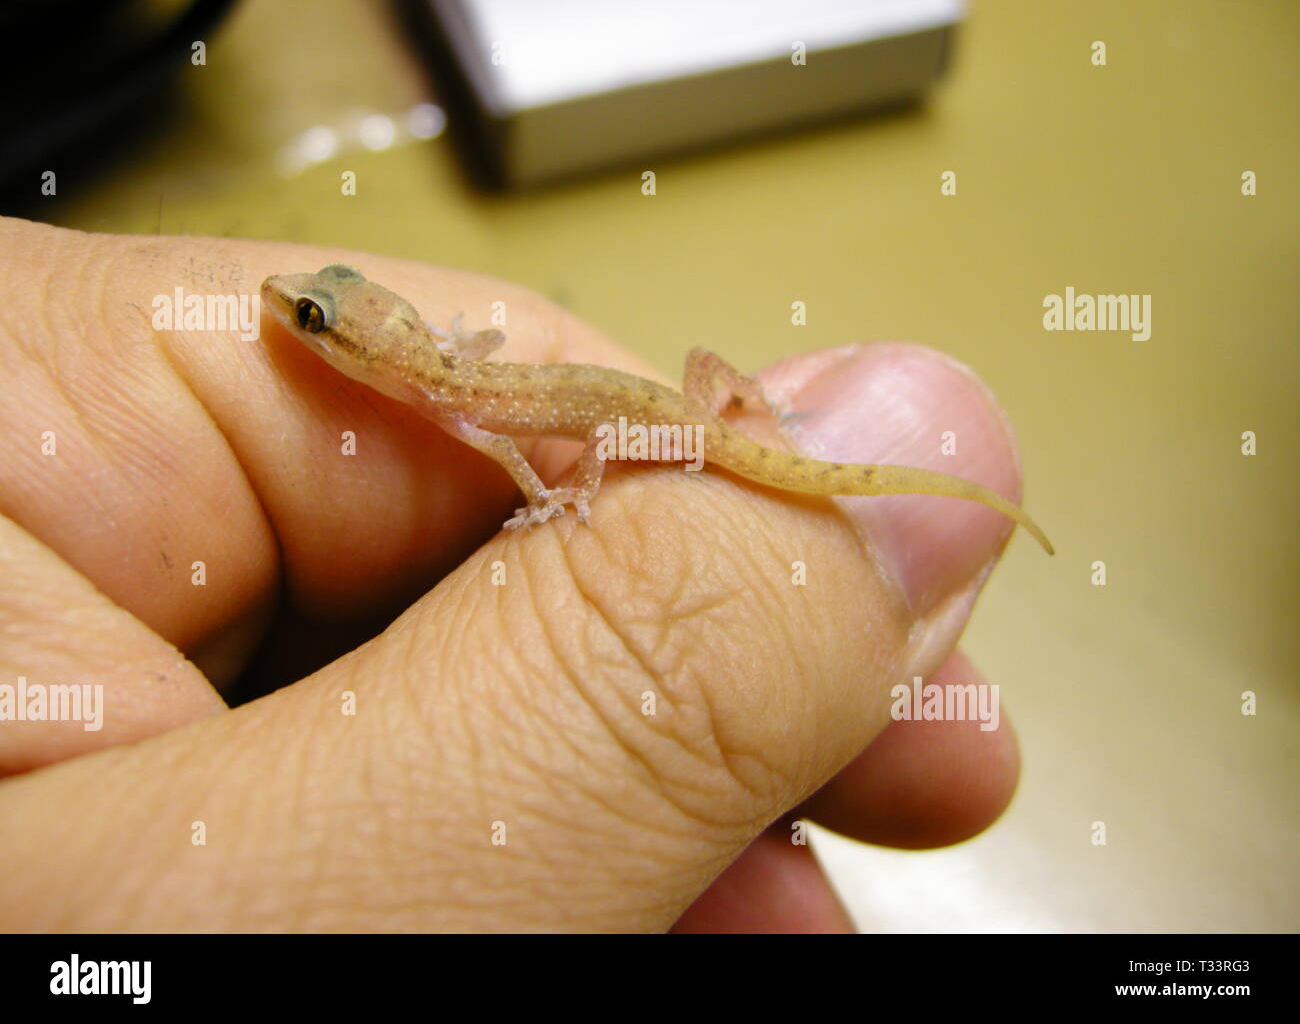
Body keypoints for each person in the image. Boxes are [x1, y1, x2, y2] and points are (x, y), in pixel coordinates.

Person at [0, 216, 1024, 932]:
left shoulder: (456, 403)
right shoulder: (446, 379)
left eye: (316, 320)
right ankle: (741, 406)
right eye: (320, 311)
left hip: (664, 437)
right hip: (688, 414)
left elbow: (515, 458)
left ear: (373, 361)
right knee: (702, 374)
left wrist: (561, 501)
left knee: (642, 444)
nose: (297, 316)